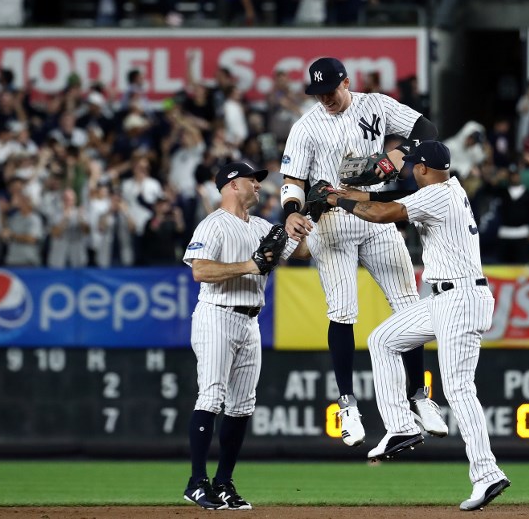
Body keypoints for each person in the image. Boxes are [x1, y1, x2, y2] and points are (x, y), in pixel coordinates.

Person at [318, 141, 510, 511]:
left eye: (411, 167)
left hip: (461, 299)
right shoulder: (450, 188)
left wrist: (334, 200)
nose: (409, 172)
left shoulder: (437, 194)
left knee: (458, 389)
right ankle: (402, 425)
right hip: (444, 299)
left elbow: (380, 213)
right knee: (384, 339)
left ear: (422, 169)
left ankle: (487, 474)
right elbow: (392, 200)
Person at [279, 57, 446, 447]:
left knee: (408, 305)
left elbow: (427, 129)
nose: (325, 99)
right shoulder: (306, 127)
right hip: (331, 219)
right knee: (342, 310)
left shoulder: (376, 105)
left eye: (330, 91)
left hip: (373, 212)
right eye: (318, 93)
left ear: (346, 82)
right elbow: (293, 180)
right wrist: (290, 213)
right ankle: (347, 403)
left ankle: (419, 396)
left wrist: (399, 156)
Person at [181, 161, 309, 510]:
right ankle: (196, 483)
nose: (258, 185)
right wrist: (251, 265)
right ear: (233, 184)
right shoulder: (213, 225)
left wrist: (308, 222)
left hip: (250, 319)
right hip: (216, 315)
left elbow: (301, 252)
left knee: (242, 406)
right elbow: (200, 270)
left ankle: (223, 483)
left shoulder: (263, 227)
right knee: (211, 397)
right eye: (253, 180)